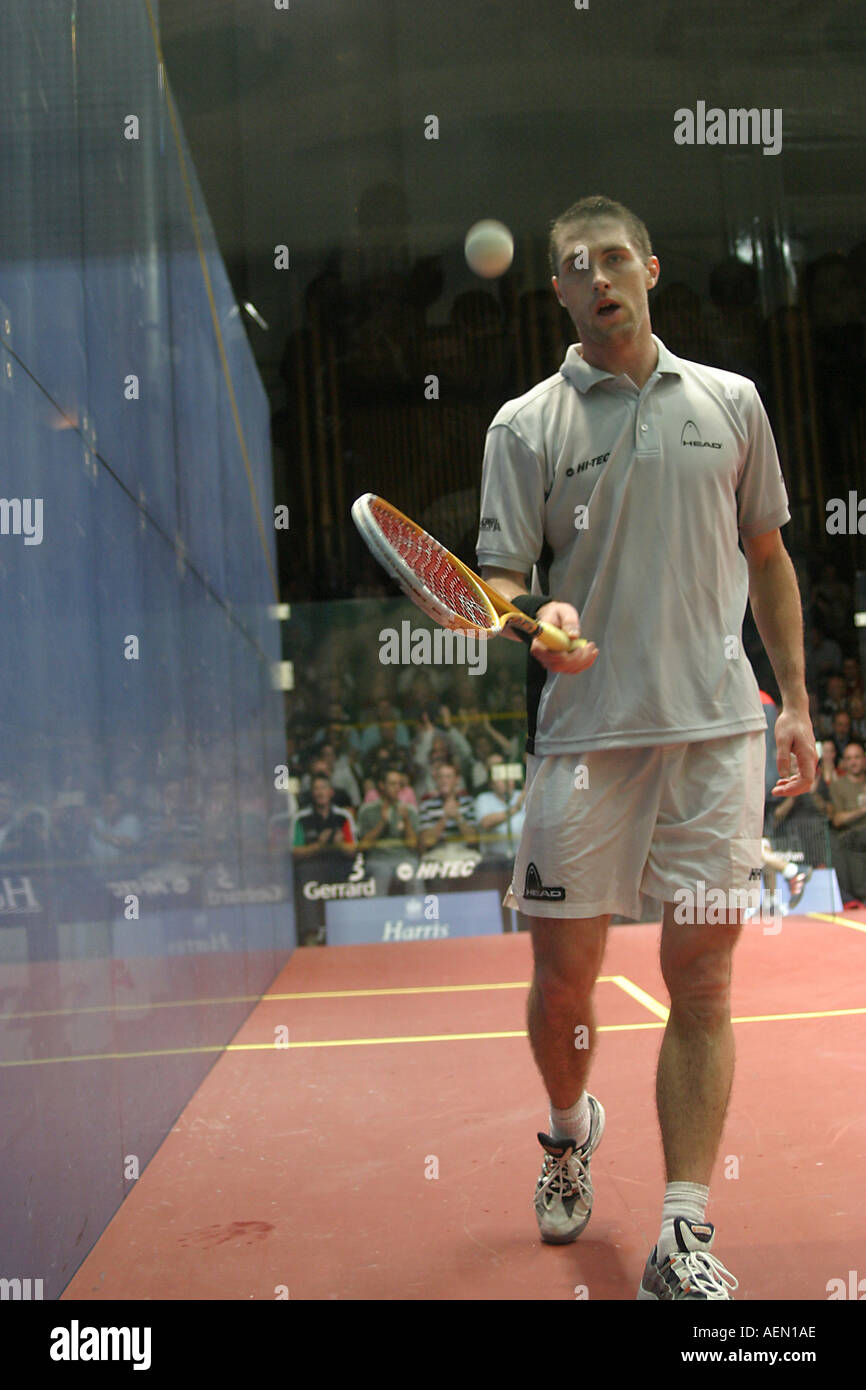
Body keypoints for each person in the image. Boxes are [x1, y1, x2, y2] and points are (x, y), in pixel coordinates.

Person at [475, 195, 817, 1301]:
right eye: (576, 265)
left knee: (701, 979)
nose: (600, 276)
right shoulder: (522, 427)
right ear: (559, 294)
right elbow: (499, 582)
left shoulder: (732, 402)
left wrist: (796, 701)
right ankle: (569, 1128)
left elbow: (765, 554)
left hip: (718, 736)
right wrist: (539, 624)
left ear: (650, 269)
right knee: (564, 981)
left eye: (615, 257)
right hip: (584, 745)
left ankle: (681, 1227)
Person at [827, 742, 866, 909]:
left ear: (864, 760)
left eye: (857, 757)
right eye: (849, 758)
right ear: (844, 762)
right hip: (852, 839)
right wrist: (863, 810)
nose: (854, 762)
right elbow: (837, 819)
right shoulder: (838, 786)